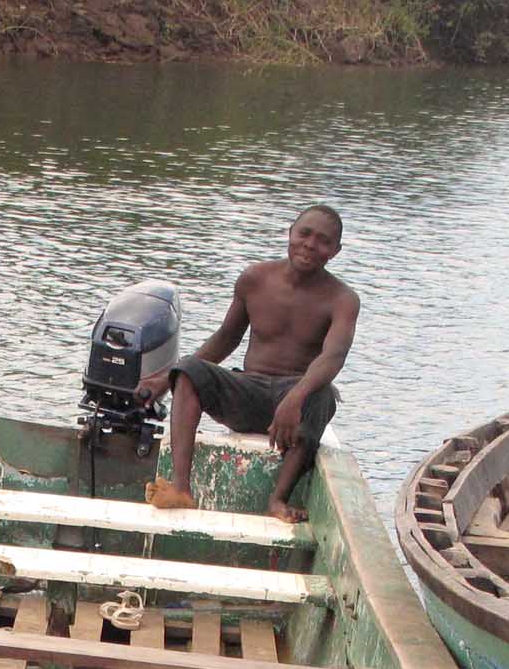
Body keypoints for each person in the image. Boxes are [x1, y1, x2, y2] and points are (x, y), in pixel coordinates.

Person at [138, 205, 360, 522]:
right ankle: (181, 489)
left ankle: (278, 500)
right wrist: (166, 380)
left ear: (335, 252)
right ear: (290, 233)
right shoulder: (255, 279)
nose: (310, 244)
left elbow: (333, 356)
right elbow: (226, 338)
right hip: (248, 390)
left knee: (323, 395)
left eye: (323, 241)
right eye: (304, 234)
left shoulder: (342, 299)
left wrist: (295, 398)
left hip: (294, 401)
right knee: (188, 369)